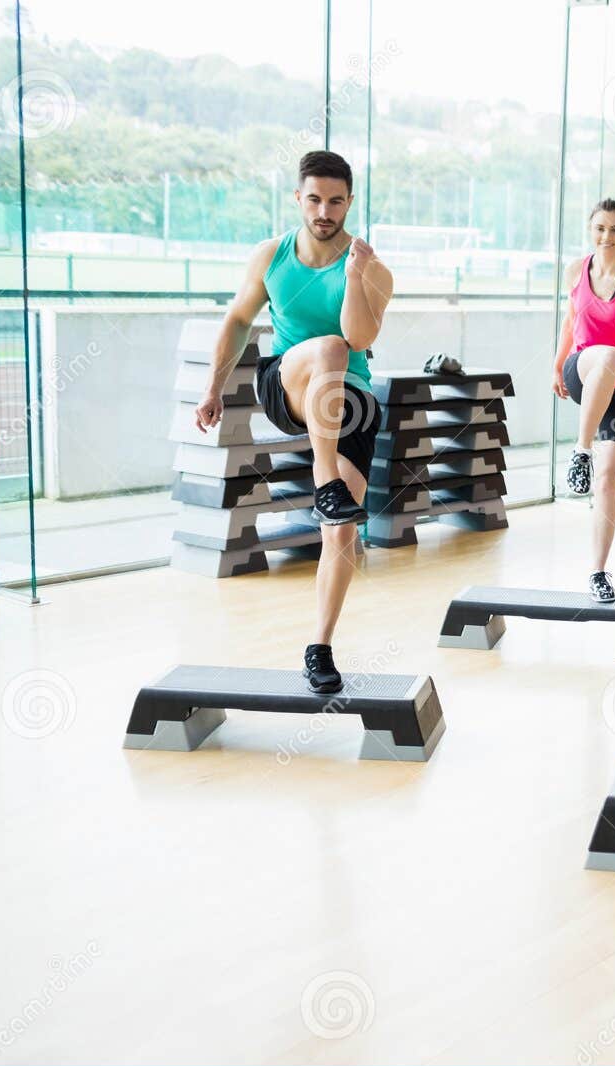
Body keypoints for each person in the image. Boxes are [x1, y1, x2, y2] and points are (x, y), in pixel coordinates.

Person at [194, 150, 394, 694]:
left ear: (350, 201)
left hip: (348, 402)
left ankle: (320, 646)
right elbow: (238, 320)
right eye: (314, 199)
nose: (324, 211)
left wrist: (354, 276)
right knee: (324, 347)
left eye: (335, 200)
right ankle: (325, 482)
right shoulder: (271, 255)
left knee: (342, 531)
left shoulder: (373, 268)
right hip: (287, 382)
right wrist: (213, 387)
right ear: (298, 199)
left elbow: (359, 340)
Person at [551, 199, 615, 603]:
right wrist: (558, 363)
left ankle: (597, 572)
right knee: (606, 355)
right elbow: (571, 317)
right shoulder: (576, 270)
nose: (606, 237)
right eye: (599, 228)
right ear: (590, 230)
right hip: (584, 370)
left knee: (608, 483)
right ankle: (581, 450)